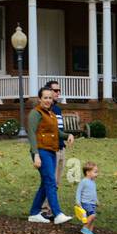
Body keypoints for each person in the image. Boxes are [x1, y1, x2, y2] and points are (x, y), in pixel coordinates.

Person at [26, 87, 71, 224]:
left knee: (46, 183)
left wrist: (67, 135)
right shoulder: (35, 113)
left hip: (51, 151)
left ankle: (34, 213)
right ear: (39, 99)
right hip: (41, 151)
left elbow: (56, 132)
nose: (48, 100)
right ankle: (57, 214)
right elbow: (31, 134)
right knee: (51, 181)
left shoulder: (51, 114)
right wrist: (36, 155)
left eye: (50, 98)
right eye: (45, 97)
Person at [40, 80, 75, 220]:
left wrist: (66, 137)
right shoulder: (45, 110)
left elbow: (58, 130)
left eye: (59, 90)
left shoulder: (58, 109)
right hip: (51, 150)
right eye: (55, 90)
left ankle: (48, 209)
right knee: (50, 181)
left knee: (56, 182)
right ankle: (45, 210)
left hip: (61, 148)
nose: (58, 93)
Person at [75, 162, 99, 234]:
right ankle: (84, 228)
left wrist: (96, 200)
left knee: (93, 218)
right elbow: (78, 192)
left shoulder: (93, 182)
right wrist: (78, 201)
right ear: (88, 173)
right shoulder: (84, 181)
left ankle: (89, 232)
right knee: (92, 215)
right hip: (86, 203)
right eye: (95, 172)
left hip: (92, 203)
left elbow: (94, 192)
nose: (97, 174)